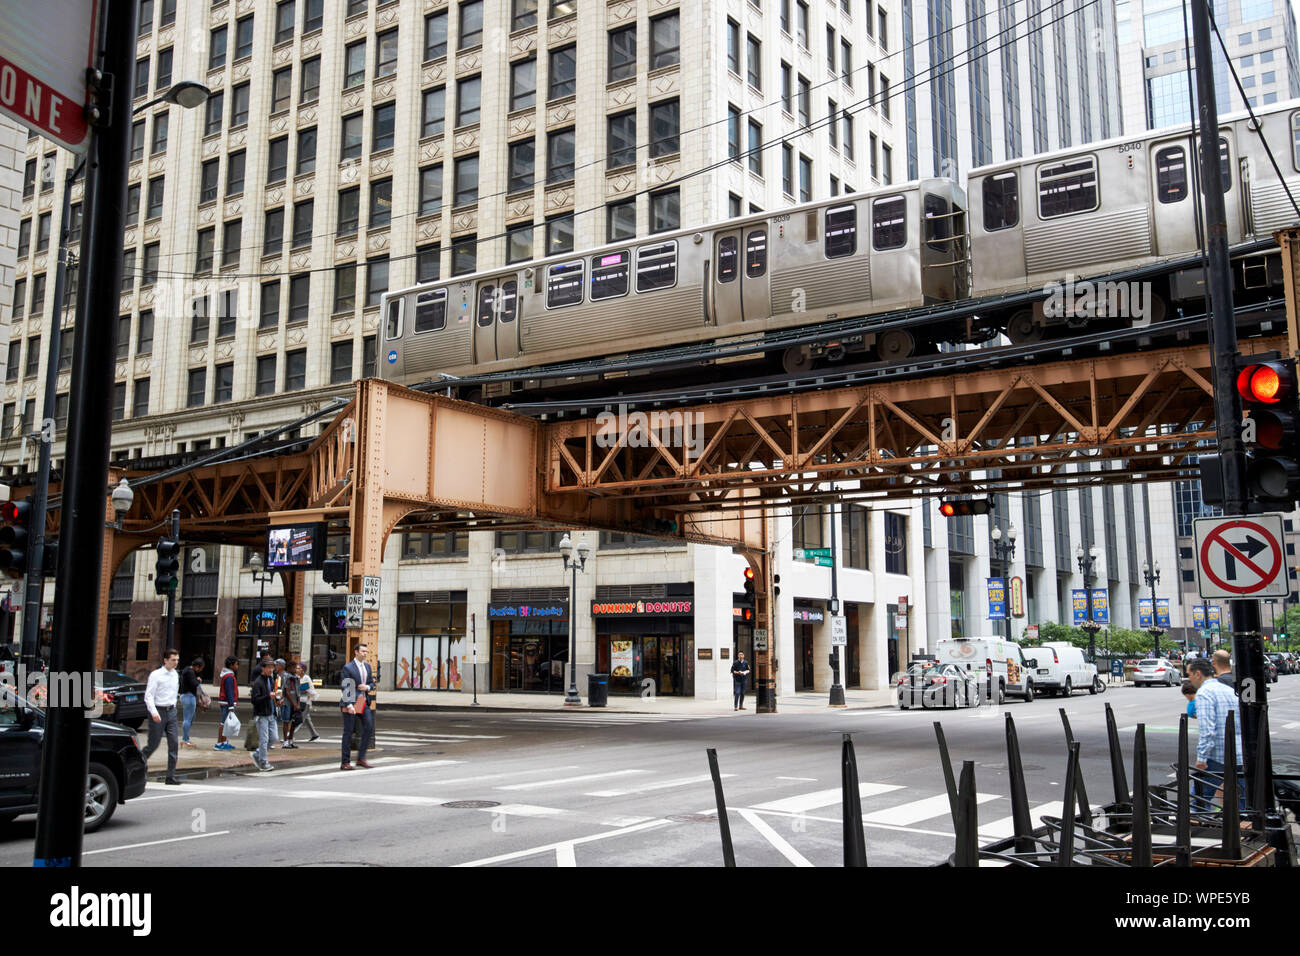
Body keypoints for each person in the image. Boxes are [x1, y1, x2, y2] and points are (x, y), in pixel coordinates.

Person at [1187, 658, 1245, 812]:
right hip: (1239, 752)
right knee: (1243, 799)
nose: (1189, 679)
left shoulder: (1204, 694)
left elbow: (1207, 729)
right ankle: (1243, 828)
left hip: (1217, 754)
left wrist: (1201, 757)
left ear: (1198, 674)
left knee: (1199, 799)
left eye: (1189, 675)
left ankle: (1197, 828)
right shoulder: (1227, 690)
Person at [143, 648, 182, 785]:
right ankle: (138, 765)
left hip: (171, 711)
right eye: (173, 660)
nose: (175, 662)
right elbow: (149, 696)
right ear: (165, 660)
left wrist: (174, 707)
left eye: (177, 660)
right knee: (153, 744)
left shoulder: (175, 675)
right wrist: (154, 712)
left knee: (174, 743)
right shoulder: (156, 675)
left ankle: (170, 776)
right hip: (158, 710)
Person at [339, 643, 375, 770]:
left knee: (369, 727)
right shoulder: (348, 668)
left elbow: (371, 682)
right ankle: (345, 762)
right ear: (356, 652)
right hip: (351, 701)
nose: (365, 653)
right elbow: (345, 686)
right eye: (363, 651)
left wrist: (368, 687)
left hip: (362, 700)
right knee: (348, 732)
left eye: (366, 651)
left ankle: (361, 758)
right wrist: (349, 704)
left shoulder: (367, 667)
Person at [250, 658, 278, 771]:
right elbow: (254, 700)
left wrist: (276, 699)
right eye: (269, 667)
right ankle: (263, 761)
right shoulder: (258, 682)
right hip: (262, 714)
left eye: (272, 667)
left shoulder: (270, 680)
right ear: (263, 668)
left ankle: (258, 754)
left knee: (274, 737)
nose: (271, 670)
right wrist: (268, 697)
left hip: (270, 713)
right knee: (264, 739)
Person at [178, 657, 203, 748]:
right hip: (189, 696)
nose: (200, 670)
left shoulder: (187, 671)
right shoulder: (190, 672)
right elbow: (194, 684)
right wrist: (198, 680)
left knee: (190, 717)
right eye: (200, 668)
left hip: (186, 696)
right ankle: (185, 740)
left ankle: (185, 738)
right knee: (188, 719)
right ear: (197, 666)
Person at [215, 656, 238, 751]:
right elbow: (229, 692)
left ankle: (223, 742)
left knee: (226, 723)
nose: (237, 666)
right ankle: (219, 743)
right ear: (231, 665)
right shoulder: (229, 677)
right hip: (227, 703)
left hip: (225, 702)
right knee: (224, 723)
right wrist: (231, 705)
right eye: (236, 664)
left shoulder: (228, 675)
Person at [276, 658, 300, 748]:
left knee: (294, 722)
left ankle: (291, 740)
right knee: (286, 721)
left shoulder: (296, 678)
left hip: (295, 703)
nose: (295, 670)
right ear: (288, 668)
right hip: (287, 703)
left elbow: (298, 692)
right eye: (293, 668)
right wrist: (294, 704)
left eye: (296, 668)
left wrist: (297, 704)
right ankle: (285, 741)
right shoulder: (286, 677)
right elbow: (287, 691)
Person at [295, 661, 320, 741]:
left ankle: (290, 735)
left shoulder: (307, 678)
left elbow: (311, 690)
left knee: (300, 719)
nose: (297, 670)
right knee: (307, 719)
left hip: (306, 702)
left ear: (303, 670)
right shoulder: (296, 677)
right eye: (296, 668)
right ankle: (314, 734)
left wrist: (306, 690)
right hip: (299, 701)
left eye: (299, 668)